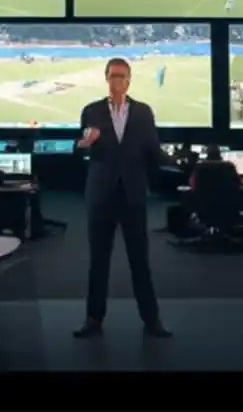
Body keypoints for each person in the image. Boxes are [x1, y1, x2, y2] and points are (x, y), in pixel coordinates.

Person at [74, 57, 171, 339]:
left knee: (140, 261)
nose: (118, 81)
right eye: (113, 75)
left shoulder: (143, 112)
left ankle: (152, 321)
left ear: (130, 80)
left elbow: (153, 151)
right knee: (98, 262)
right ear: (106, 78)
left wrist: (182, 165)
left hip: (133, 195)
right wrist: (84, 144)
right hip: (101, 195)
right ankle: (93, 320)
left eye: (122, 76)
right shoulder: (91, 111)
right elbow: (78, 150)